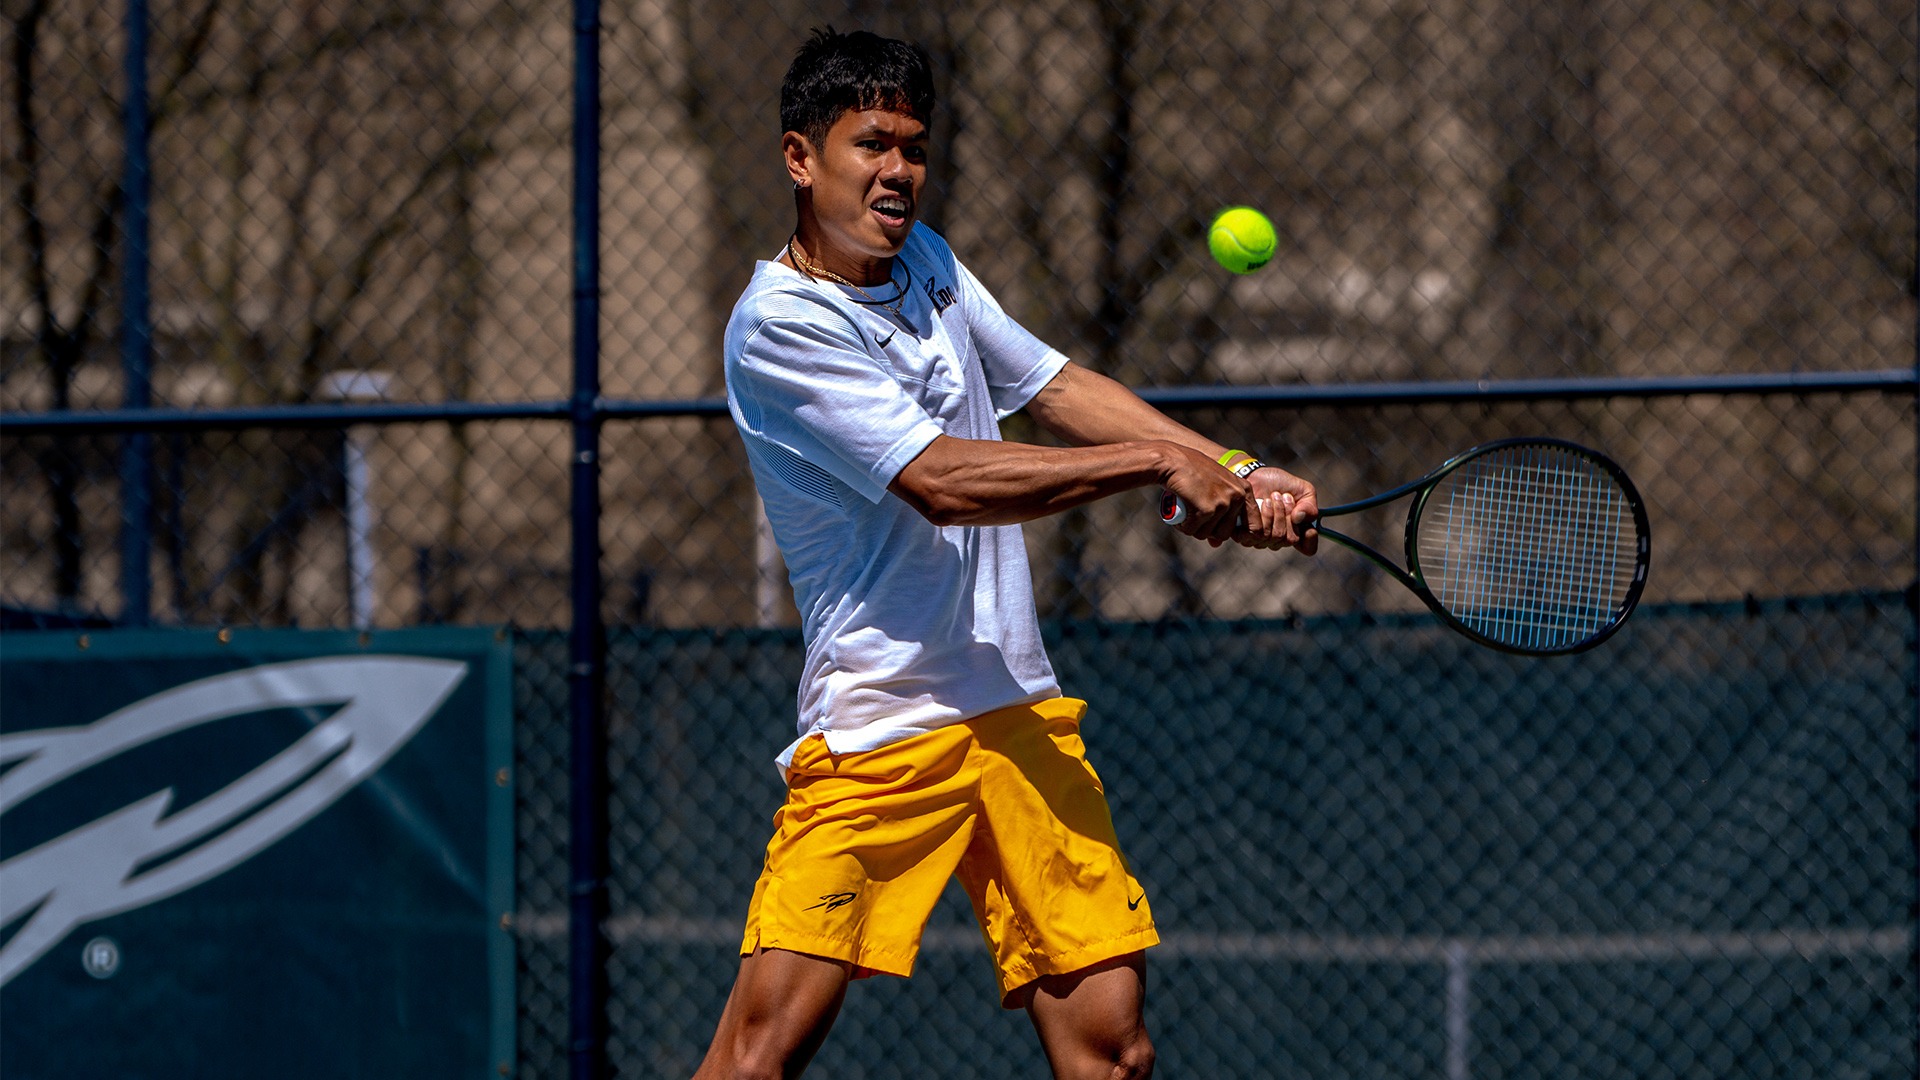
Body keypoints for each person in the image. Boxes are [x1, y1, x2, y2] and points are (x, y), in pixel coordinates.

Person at [698, 28, 1319, 1080]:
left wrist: (1227, 462)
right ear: (801, 158)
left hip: (1014, 705)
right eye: (872, 145)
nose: (898, 172)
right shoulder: (779, 326)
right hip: (879, 725)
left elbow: (1055, 384)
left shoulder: (929, 263)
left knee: (1113, 1048)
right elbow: (943, 481)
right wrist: (1154, 468)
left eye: (915, 150)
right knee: (763, 1052)